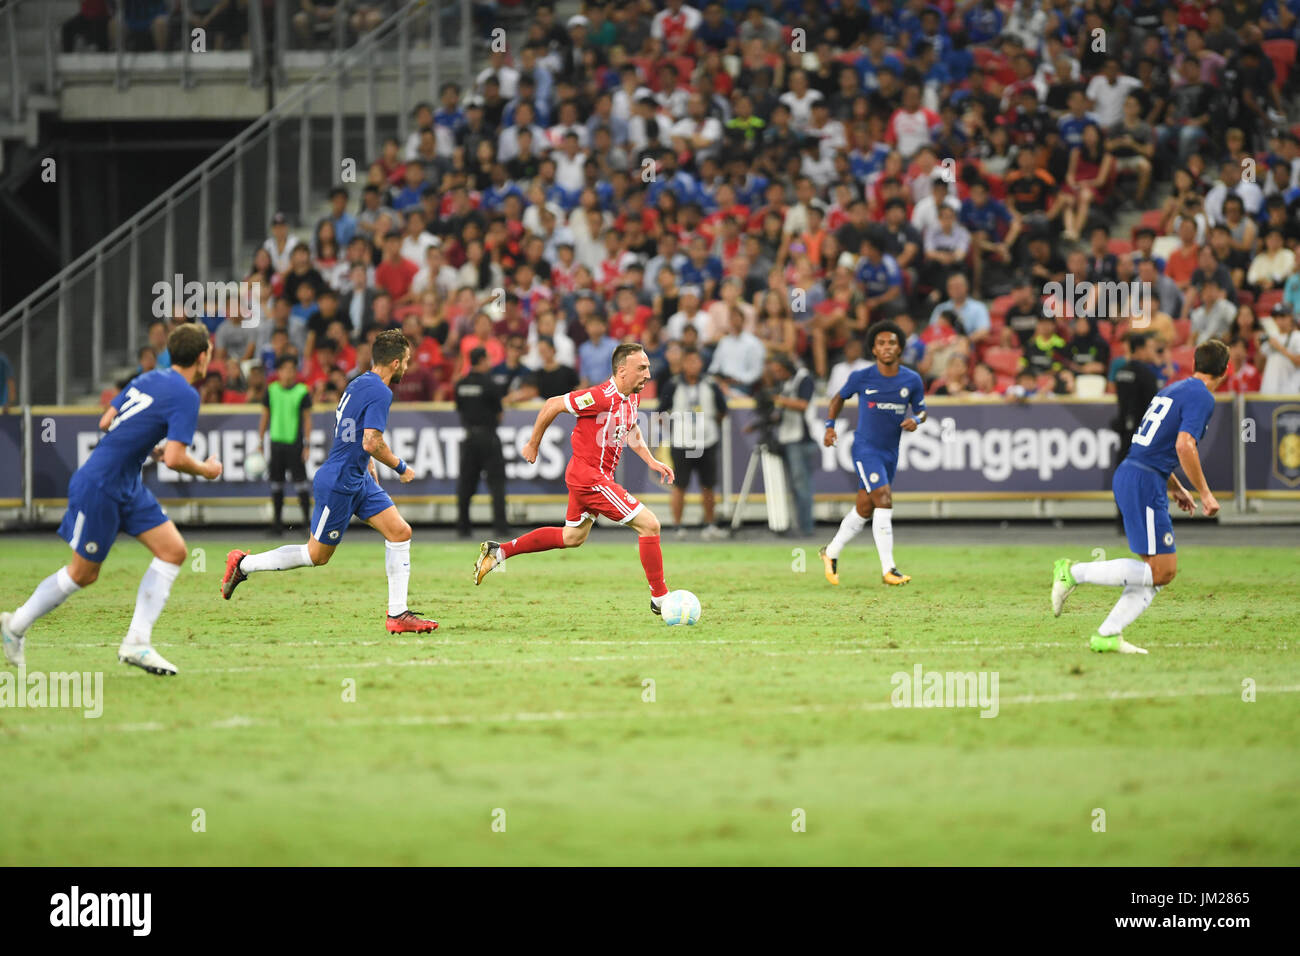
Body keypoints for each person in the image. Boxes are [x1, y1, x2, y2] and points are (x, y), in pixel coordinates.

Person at [2, 324, 223, 676]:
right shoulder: (186, 395)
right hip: (101, 484)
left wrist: (145, 442)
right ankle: (14, 626)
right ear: (202, 357)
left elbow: (108, 420)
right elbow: (176, 459)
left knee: (173, 551)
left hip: (126, 483)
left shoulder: (149, 378)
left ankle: (137, 642)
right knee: (83, 573)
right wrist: (207, 470)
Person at [221, 330, 437, 635]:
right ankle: (243, 564)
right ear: (396, 362)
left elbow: (355, 434)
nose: (407, 368)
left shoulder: (358, 383)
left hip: (359, 477)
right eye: (407, 362)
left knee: (400, 532)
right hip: (339, 482)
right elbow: (371, 441)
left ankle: (397, 614)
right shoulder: (382, 392)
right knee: (315, 556)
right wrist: (401, 467)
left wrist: (369, 465)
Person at [1052, 339, 1230, 654]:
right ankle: (1073, 572)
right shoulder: (1202, 396)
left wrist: (1174, 485)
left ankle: (1107, 634)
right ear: (1225, 371)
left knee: (1154, 573)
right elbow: (1184, 445)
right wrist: (1205, 493)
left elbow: (1156, 444)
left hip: (1137, 473)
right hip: (1143, 480)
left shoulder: (1171, 390)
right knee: (1164, 571)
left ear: (1194, 364)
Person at [473, 343, 677, 617]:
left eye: (648, 367)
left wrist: (651, 460)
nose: (648, 374)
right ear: (621, 370)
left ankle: (499, 552)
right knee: (650, 525)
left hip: (592, 476)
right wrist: (533, 444)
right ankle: (660, 598)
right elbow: (552, 404)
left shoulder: (632, 397)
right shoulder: (599, 396)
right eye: (642, 368)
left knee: (572, 537)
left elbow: (630, 427)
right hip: (589, 476)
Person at [819, 320, 927, 587]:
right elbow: (838, 398)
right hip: (866, 449)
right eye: (881, 343)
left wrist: (918, 421)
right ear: (874, 350)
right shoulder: (862, 377)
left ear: (900, 348)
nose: (887, 347)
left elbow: (922, 410)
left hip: (891, 452)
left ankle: (830, 553)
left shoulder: (911, 379)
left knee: (865, 508)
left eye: (892, 342)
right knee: (884, 498)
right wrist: (830, 427)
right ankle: (889, 569)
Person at [659, 346, 728, 539]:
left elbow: (722, 410)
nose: (693, 365)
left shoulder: (710, 384)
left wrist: (708, 427)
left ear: (702, 363)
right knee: (680, 485)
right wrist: (673, 431)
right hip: (681, 442)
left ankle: (710, 524)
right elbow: (660, 411)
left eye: (696, 361)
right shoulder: (673, 384)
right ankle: (677, 526)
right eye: (688, 361)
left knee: (708, 485)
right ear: (682, 364)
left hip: (707, 441)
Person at [455, 347, 509, 540]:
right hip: (488, 437)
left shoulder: (460, 384)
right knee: (497, 483)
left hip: (469, 437)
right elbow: (499, 413)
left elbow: (460, 409)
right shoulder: (490, 384)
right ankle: (501, 527)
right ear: (482, 360)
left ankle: (463, 527)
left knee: (466, 484)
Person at [261, 356, 314, 536]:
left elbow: (307, 420)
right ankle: (277, 525)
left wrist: (307, 444)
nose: (288, 373)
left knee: (301, 485)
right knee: (276, 484)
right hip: (276, 443)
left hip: (295, 444)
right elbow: (265, 416)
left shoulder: (301, 391)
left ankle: (307, 524)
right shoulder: (272, 390)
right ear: (279, 372)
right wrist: (260, 442)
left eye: (292, 369)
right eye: (285, 369)